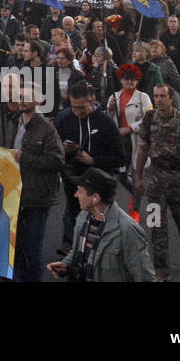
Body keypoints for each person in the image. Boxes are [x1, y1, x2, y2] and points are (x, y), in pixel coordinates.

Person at [0, 79, 64, 282]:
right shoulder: (14, 123)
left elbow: (57, 161)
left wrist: (25, 158)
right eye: (20, 97)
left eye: (27, 97)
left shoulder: (47, 129)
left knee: (33, 248)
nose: (22, 101)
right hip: (13, 193)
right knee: (14, 244)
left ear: (39, 100)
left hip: (36, 197)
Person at [133, 84, 180, 281]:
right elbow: (143, 148)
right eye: (156, 96)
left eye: (163, 96)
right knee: (156, 224)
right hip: (156, 177)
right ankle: (161, 269)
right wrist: (138, 177)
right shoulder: (149, 119)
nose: (159, 99)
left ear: (171, 98)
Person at [49, 167, 155, 282]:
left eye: (80, 191)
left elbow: (145, 276)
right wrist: (66, 265)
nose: (75, 195)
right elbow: (79, 253)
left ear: (95, 198)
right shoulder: (83, 218)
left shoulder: (128, 230)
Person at [55, 83, 126, 254]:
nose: (78, 112)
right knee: (74, 217)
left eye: (81, 107)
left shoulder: (105, 123)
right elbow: (53, 149)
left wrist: (93, 160)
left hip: (100, 182)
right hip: (73, 179)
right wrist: (62, 148)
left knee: (99, 221)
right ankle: (74, 251)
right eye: (74, 107)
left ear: (92, 100)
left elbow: (120, 158)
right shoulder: (63, 119)